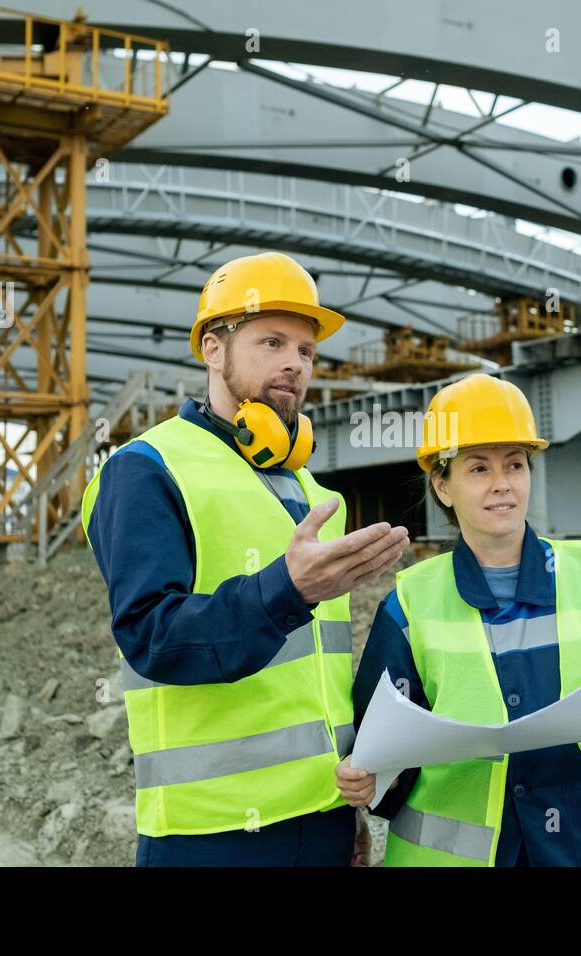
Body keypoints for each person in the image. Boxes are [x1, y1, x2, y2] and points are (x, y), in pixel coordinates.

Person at [82, 251, 409, 866]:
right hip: (210, 833)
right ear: (212, 348)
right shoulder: (146, 470)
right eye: (272, 342)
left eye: (307, 352)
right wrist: (285, 589)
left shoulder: (309, 490)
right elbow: (152, 639)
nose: (295, 362)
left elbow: (317, 677)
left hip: (323, 819)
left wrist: (349, 811)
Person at [335, 373, 581, 866]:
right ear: (443, 485)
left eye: (515, 465)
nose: (502, 484)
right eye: (478, 468)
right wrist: (367, 775)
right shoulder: (409, 602)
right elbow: (377, 731)